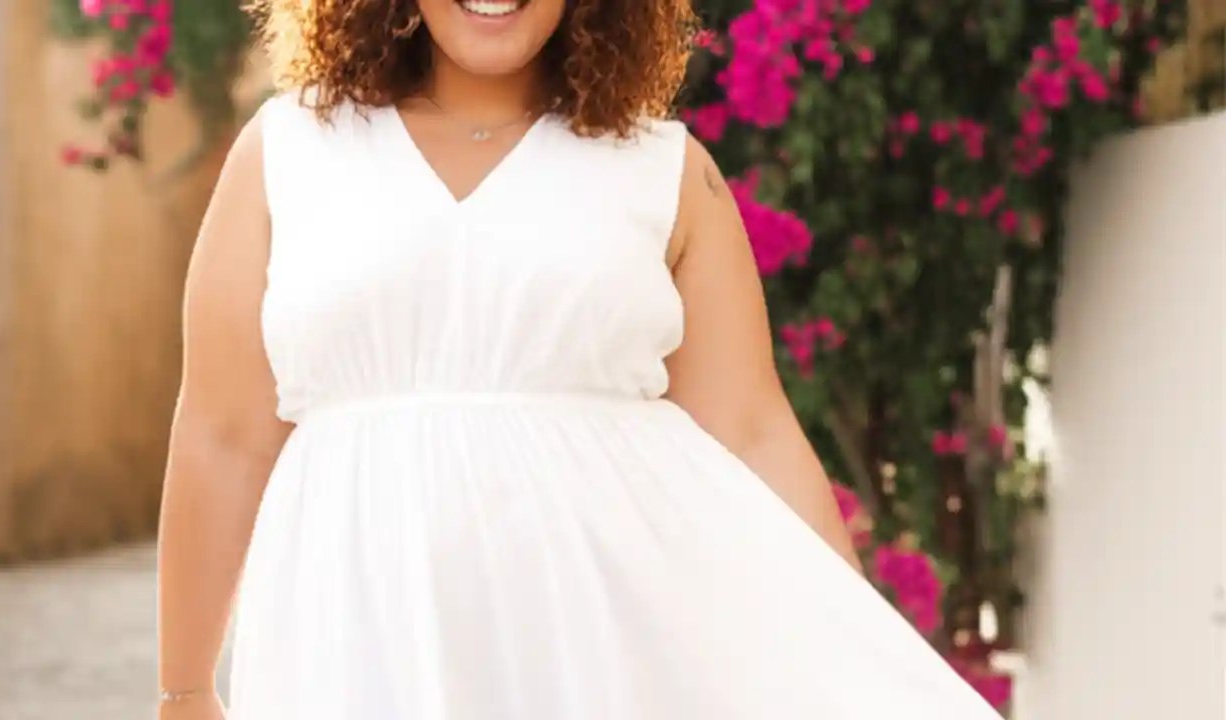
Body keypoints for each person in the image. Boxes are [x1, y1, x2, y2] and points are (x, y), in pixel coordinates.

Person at [156, 0, 1002, 716]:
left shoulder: (662, 170)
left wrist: (849, 645)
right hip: (354, 629)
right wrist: (185, 690)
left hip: (600, 647)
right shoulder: (288, 152)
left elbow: (749, 432)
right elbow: (223, 436)